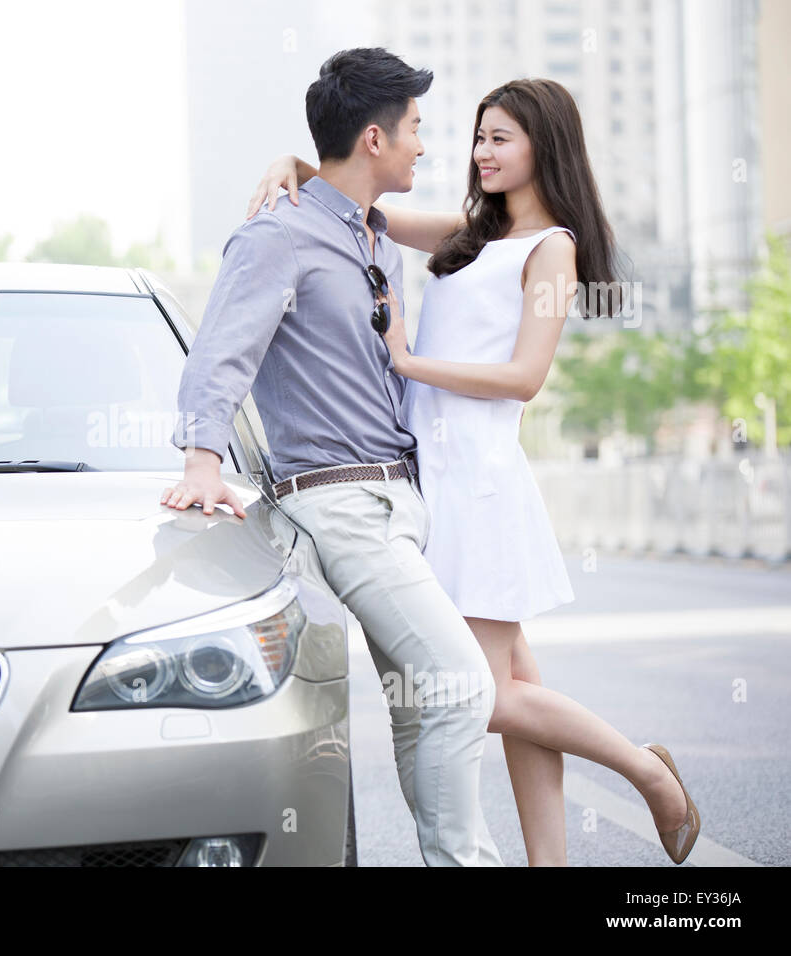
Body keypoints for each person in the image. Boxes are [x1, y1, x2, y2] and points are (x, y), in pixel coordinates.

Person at [245, 76, 700, 865]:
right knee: (514, 684)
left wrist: (412, 364)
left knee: (479, 696)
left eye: (502, 139)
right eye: (480, 137)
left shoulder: (552, 247)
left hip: (481, 484)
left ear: (542, 148)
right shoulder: (471, 233)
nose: (482, 152)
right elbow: (369, 207)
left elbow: (526, 377)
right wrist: (299, 162)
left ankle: (647, 775)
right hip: (435, 480)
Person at [161, 47, 503, 866]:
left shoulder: (375, 239)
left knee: (423, 704)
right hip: (339, 503)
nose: (428, 145)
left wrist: (306, 163)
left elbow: (488, 226)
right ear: (378, 138)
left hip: (396, 502)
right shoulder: (277, 237)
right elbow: (221, 353)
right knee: (462, 685)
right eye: (417, 129)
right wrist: (202, 460)